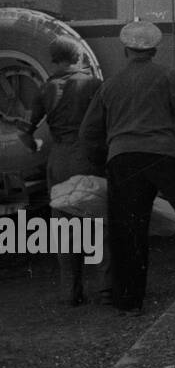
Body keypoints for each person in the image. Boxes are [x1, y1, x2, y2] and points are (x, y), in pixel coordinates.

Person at [78, 21, 175, 314]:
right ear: (154, 50)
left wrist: (107, 160)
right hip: (167, 155)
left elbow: (88, 133)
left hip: (123, 159)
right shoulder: (168, 76)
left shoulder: (109, 85)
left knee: (128, 230)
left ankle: (129, 301)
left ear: (125, 50)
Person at [20, 37, 103, 305]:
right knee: (100, 223)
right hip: (88, 158)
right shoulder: (94, 84)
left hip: (59, 161)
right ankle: (108, 290)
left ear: (54, 60)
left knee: (66, 230)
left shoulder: (46, 88)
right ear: (78, 57)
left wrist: (36, 145)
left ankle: (71, 294)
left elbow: (26, 134)